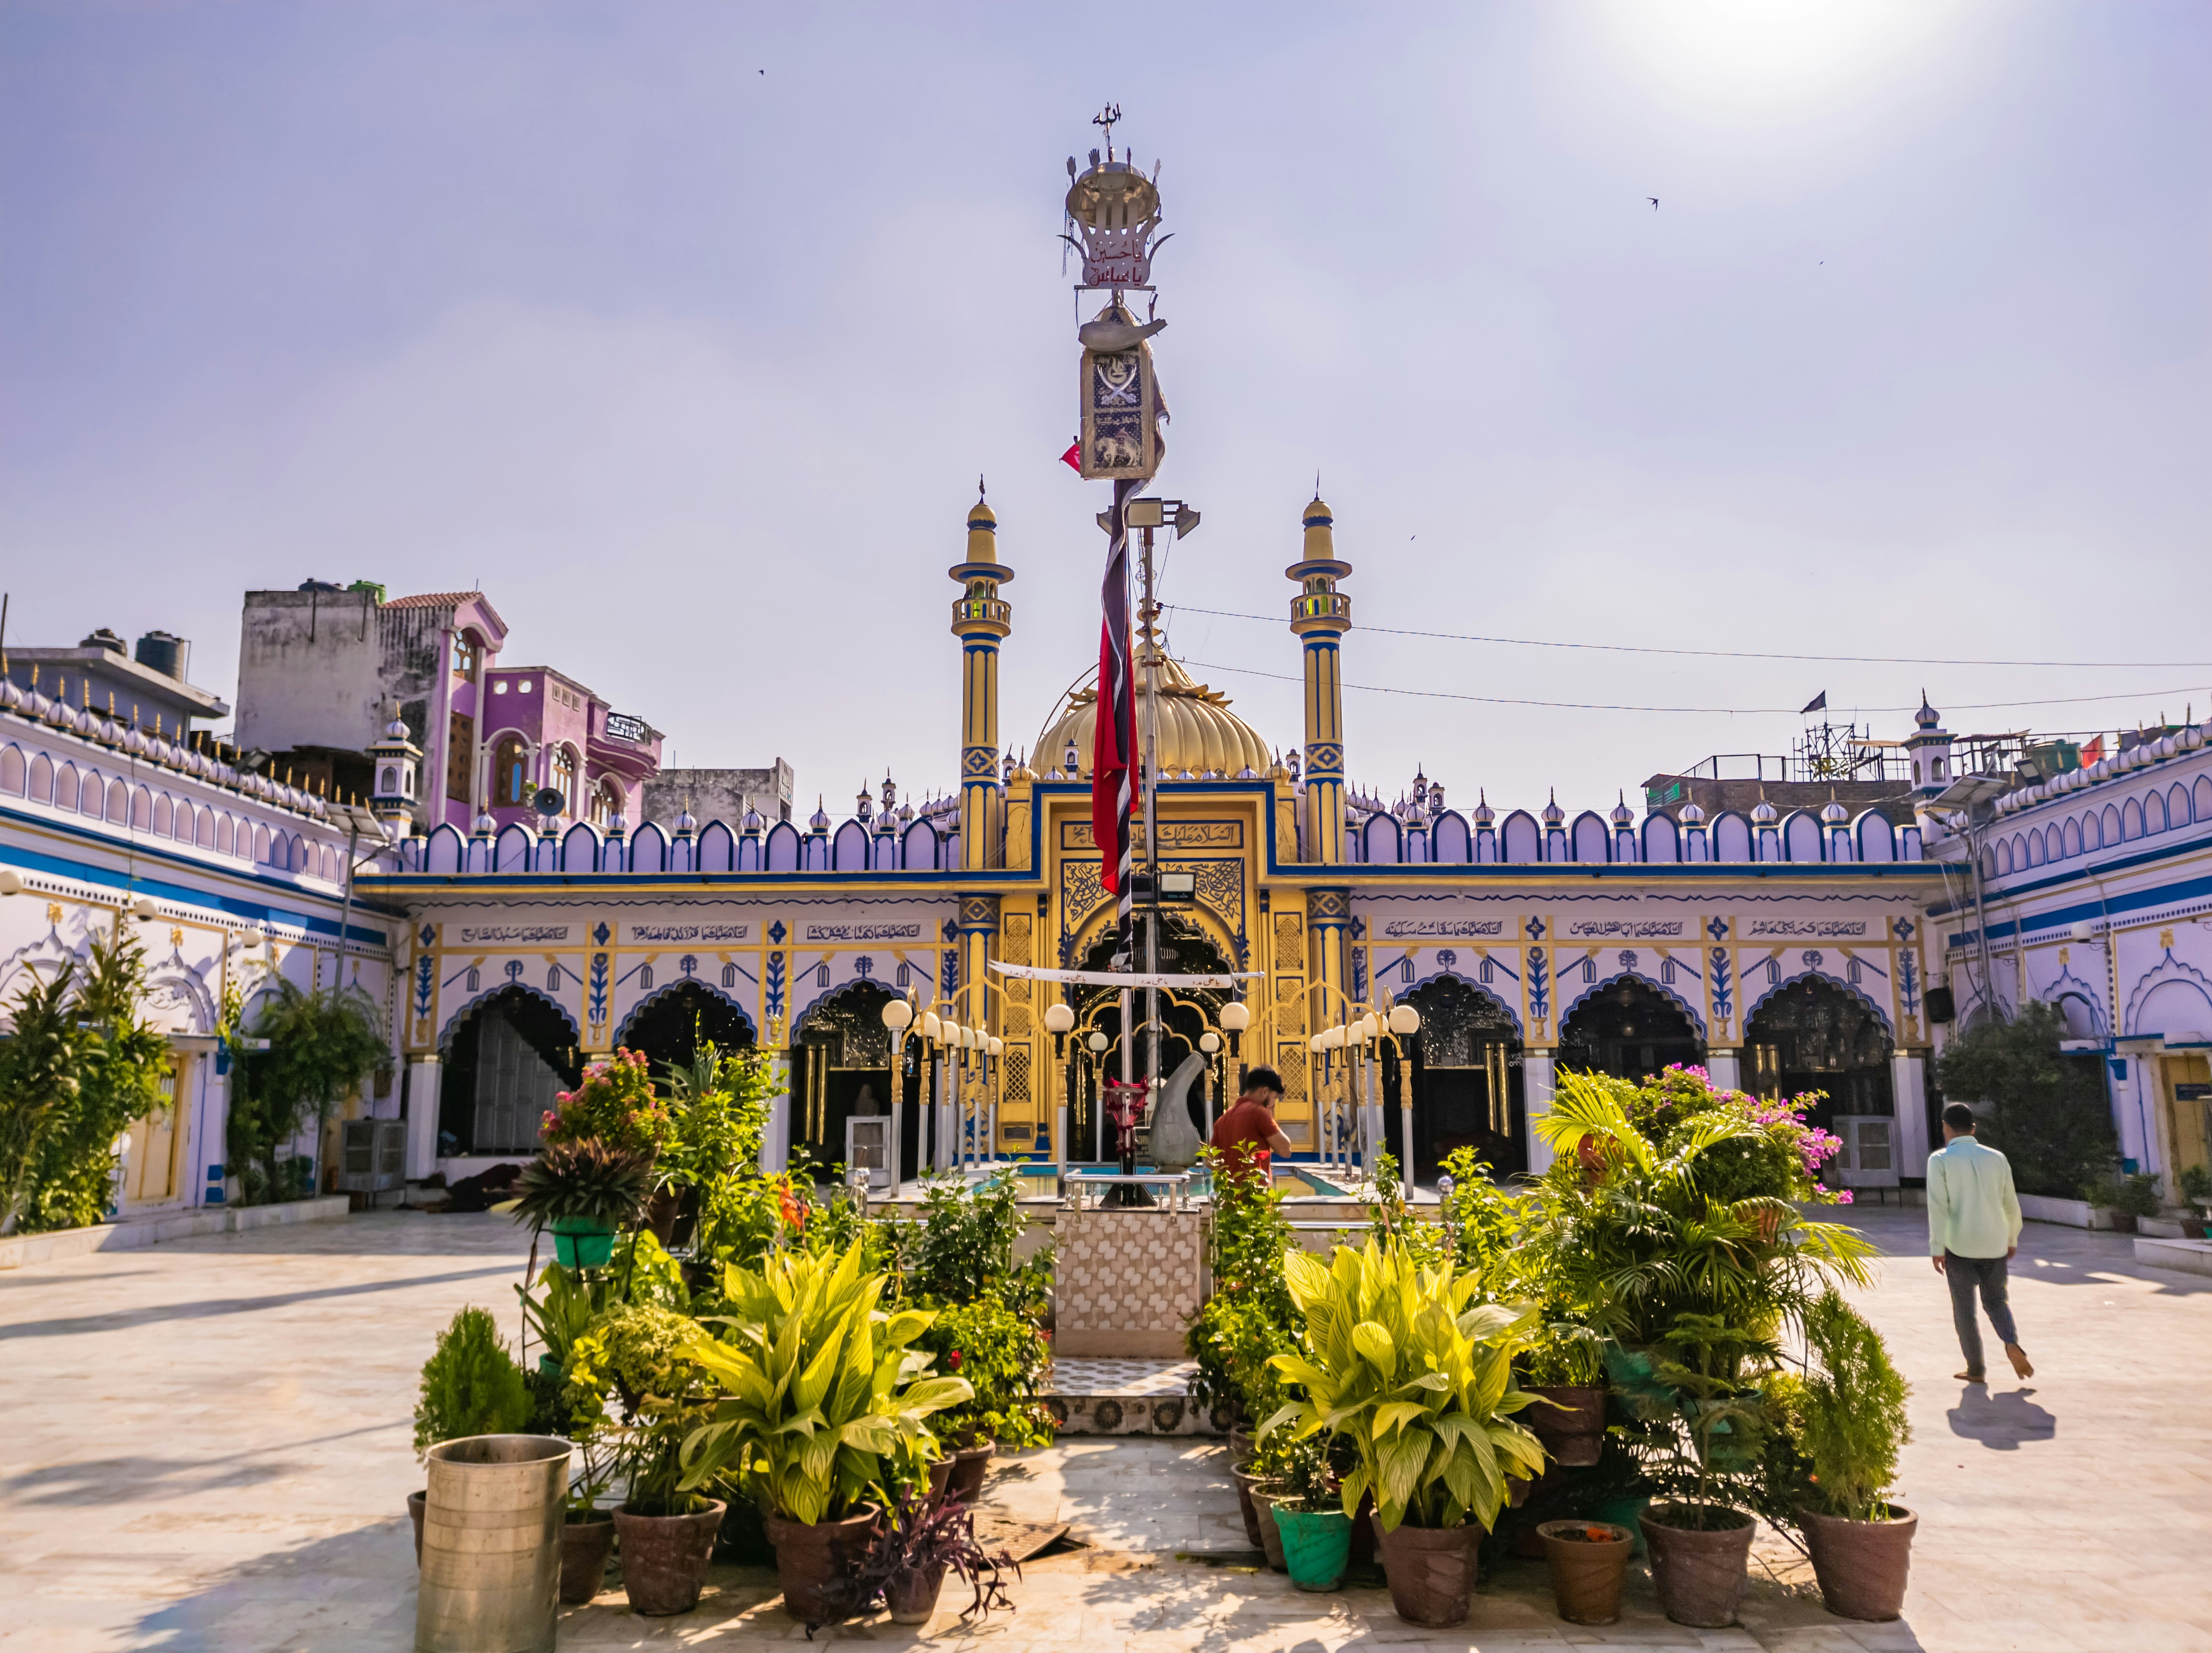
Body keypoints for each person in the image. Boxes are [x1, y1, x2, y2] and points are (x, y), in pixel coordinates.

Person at [1927, 1101, 2033, 1383]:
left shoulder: (1940, 1161)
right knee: (1996, 1302)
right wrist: (2012, 1238)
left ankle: (1976, 1369)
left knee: (1965, 1311)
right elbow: (2011, 1204)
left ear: (1945, 1128)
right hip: (1995, 1244)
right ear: (1973, 1129)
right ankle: (2011, 1342)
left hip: (1959, 1247)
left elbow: (1938, 1207)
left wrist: (1937, 1247)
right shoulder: (1997, 1158)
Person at [1210, 1066, 1293, 1182]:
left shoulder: (1223, 1119)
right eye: (1274, 1098)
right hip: (1254, 1192)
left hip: (1229, 1192)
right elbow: (1286, 1150)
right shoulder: (1258, 1112)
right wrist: (1270, 1116)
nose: (1274, 1104)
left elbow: (1210, 1161)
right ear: (1265, 1092)